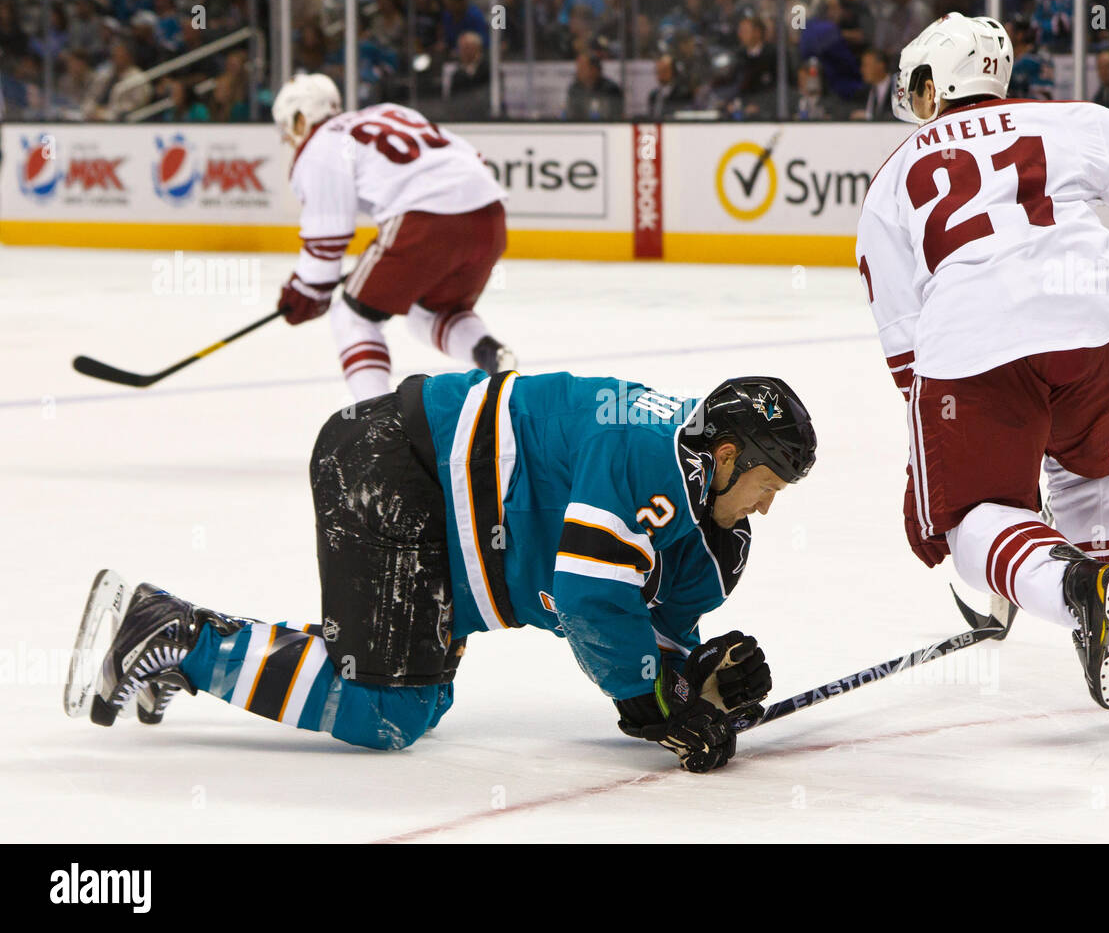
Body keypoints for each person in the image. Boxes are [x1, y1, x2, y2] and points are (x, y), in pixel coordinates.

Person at [76, 373, 817, 773]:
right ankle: (173, 633)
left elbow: (646, 631)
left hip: (449, 520)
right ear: (725, 456)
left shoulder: (711, 524)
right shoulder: (647, 451)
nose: (767, 506)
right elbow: (591, 603)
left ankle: (199, 651)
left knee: (412, 706)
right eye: (767, 485)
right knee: (389, 709)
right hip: (397, 467)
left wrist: (695, 679)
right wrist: (659, 705)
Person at [856, 13, 1109, 735]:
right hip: (1106, 330)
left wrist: (937, 454)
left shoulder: (893, 176)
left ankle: (1076, 591)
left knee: (966, 522)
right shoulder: (1072, 120)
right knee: (1095, 476)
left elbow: (905, 343)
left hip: (973, 346)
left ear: (933, 85)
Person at [271, 74, 516, 401]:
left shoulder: (320, 144)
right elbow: (474, 158)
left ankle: (375, 420)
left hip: (425, 218)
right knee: (429, 313)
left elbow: (328, 234)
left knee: (352, 316)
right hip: (489, 215)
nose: (289, 139)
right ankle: (492, 355)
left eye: (288, 128)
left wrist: (307, 291)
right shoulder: (388, 112)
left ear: (301, 119)